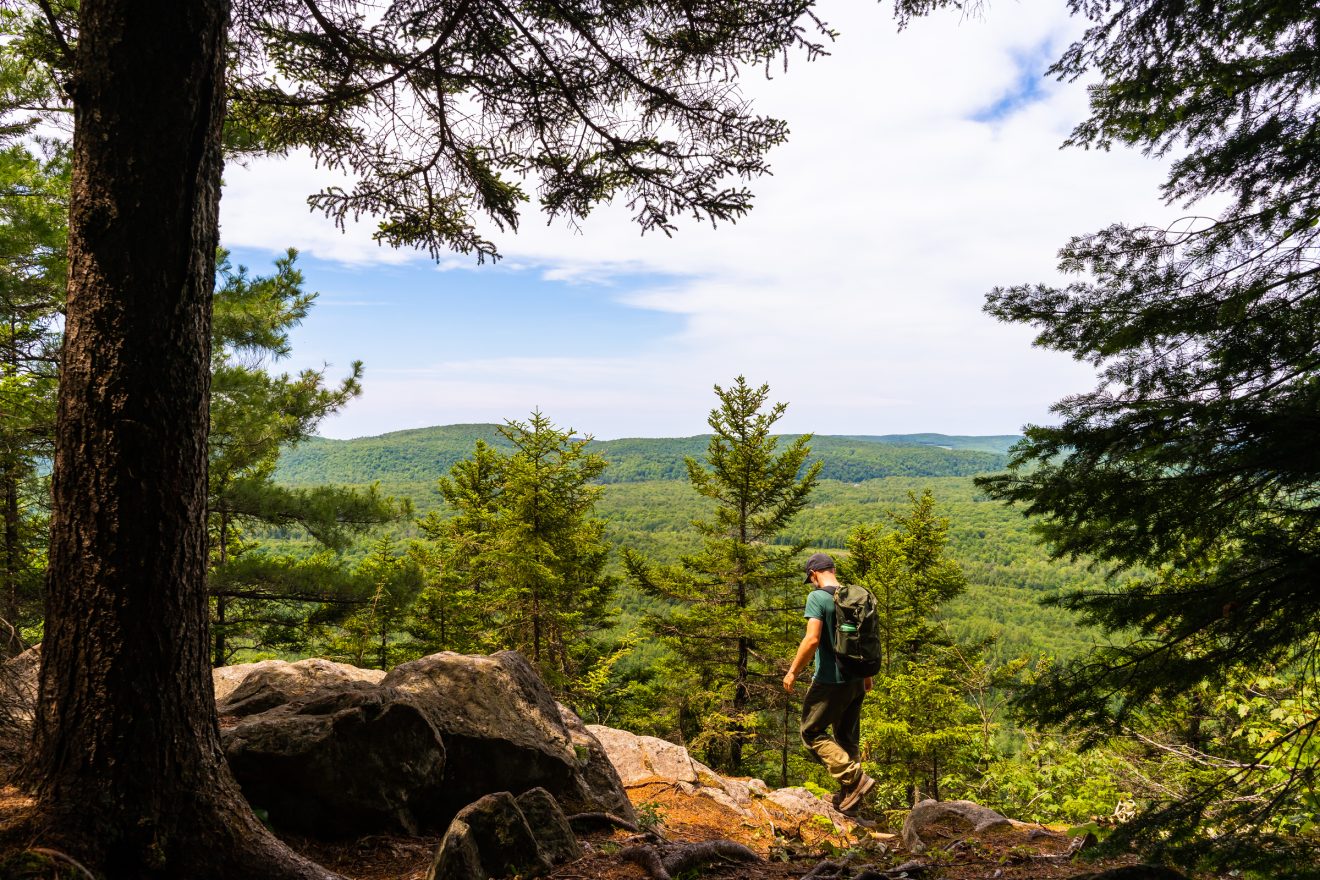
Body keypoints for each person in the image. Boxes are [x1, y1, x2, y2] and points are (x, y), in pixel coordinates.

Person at [783, 551, 875, 814]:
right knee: (847, 737)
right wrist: (867, 676)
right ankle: (850, 800)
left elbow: (812, 640)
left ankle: (854, 778)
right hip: (857, 678)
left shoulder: (817, 597)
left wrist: (792, 672)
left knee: (811, 732)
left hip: (830, 680)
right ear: (833, 569)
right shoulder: (855, 597)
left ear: (813, 574)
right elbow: (864, 638)